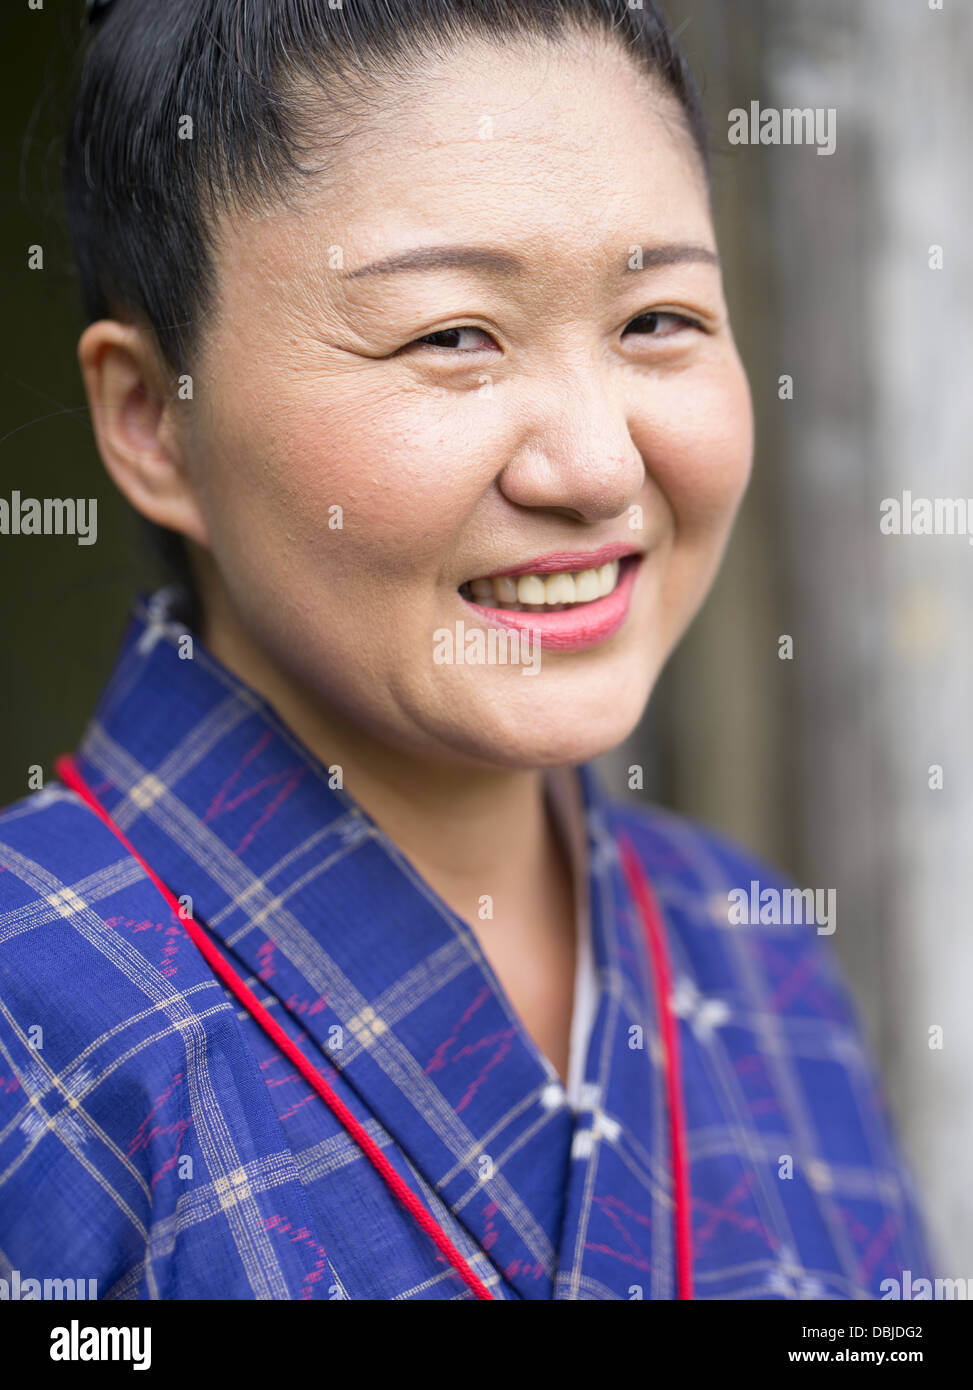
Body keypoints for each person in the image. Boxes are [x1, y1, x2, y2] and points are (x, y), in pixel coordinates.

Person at [0, 0, 932, 1300]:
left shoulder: (757, 953)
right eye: (451, 336)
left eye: (657, 319)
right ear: (155, 418)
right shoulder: (28, 1014)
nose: (599, 467)